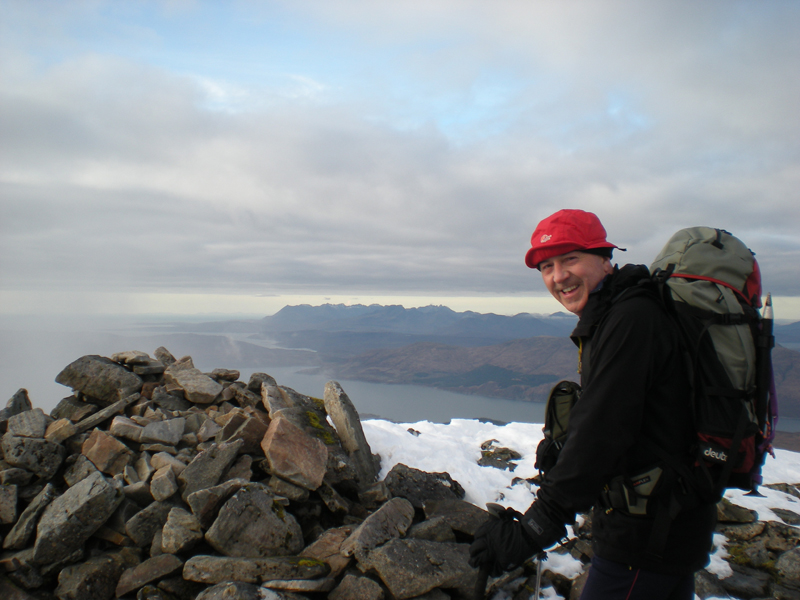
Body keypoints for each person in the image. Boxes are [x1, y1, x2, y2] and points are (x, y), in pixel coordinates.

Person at [469, 209, 716, 600]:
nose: (558, 276)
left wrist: (535, 528)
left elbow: (602, 431)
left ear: (605, 258)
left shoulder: (631, 318)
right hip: (668, 525)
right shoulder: (622, 312)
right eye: (547, 266)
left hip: (644, 539)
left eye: (570, 259)